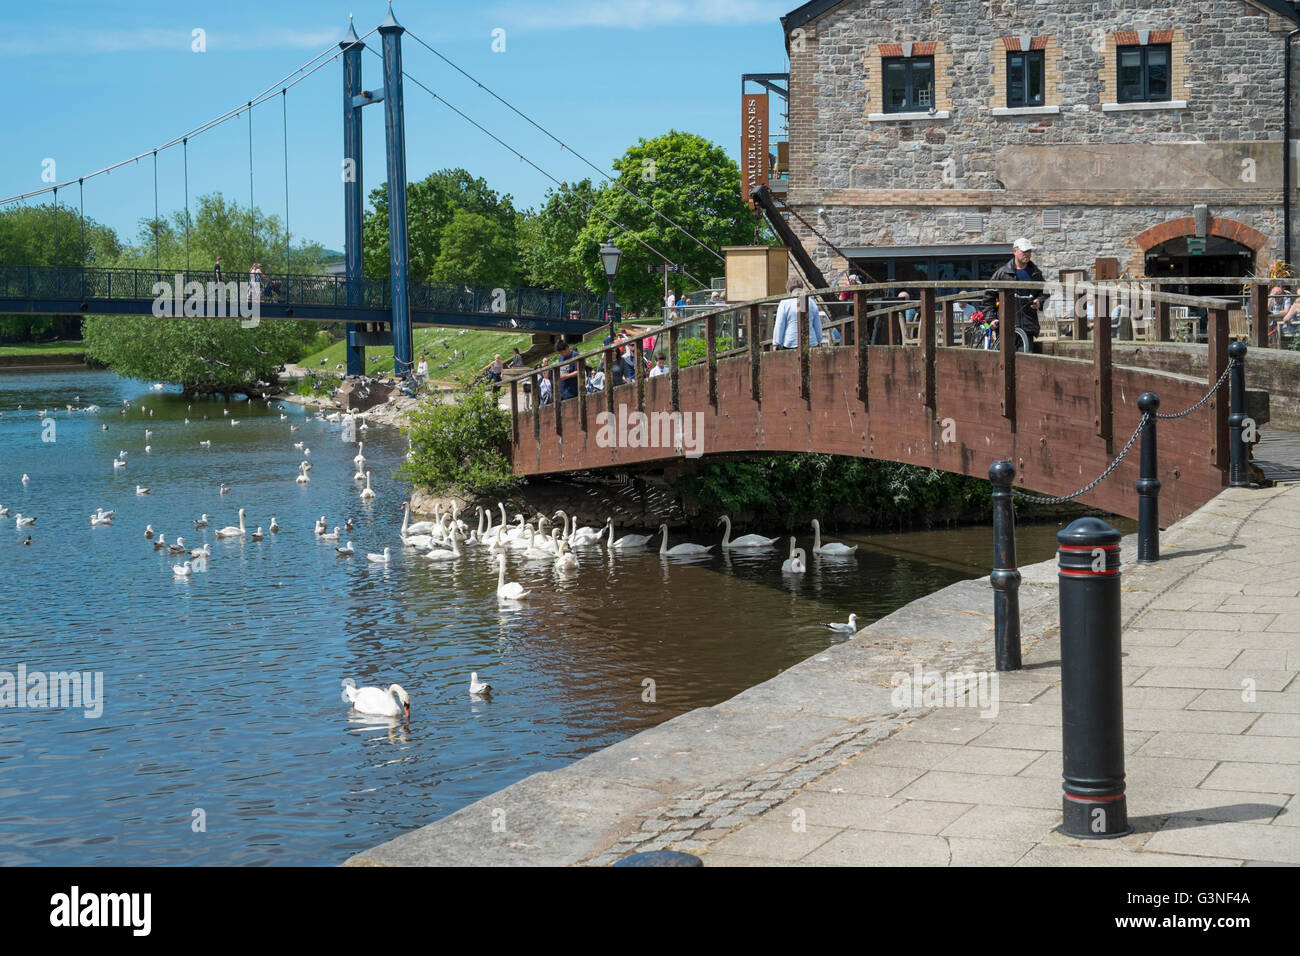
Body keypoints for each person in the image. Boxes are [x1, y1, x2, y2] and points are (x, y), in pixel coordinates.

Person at [981, 237, 1047, 351]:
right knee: (1005, 361)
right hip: (1006, 323)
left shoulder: (1035, 273)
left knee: (1026, 360)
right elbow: (988, 298)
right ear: (1015, 251)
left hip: (1028, 325)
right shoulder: (1002, 273)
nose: (1027, 254)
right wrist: (990, 319)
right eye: (1024, 251)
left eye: (1029, 251)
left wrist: (1039, 301)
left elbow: (1044, 292)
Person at [771, 276, 823, 349]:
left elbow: (780, 324)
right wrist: (819, 339)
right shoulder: (811, 302)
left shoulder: (785, 303)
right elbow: (817, 324)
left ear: (788, 289)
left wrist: (776, 342)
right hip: (810, 342)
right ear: (801, 288)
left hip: (791, 342)